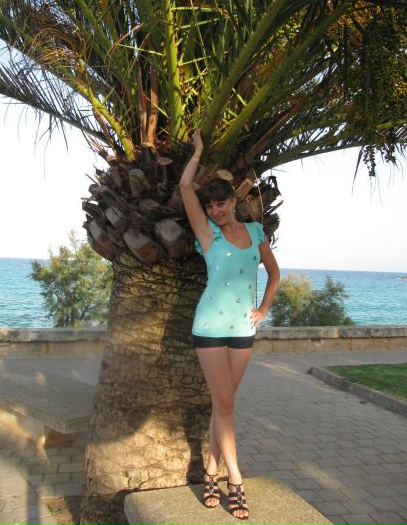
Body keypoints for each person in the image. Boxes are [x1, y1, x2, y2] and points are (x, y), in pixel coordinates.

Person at [179, 130, 280, 520]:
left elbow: (274, 274)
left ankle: (210, 469)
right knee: (224, 404)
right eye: (210, 206)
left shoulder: (255, 233)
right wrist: (197, 152)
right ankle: (234, 480)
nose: (215, 210)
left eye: (220, 203)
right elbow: (185, 188)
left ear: (234, 201)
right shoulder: (208, 236)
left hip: (243, 330)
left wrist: (263, 309)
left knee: (224, 405)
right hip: (209, 327)